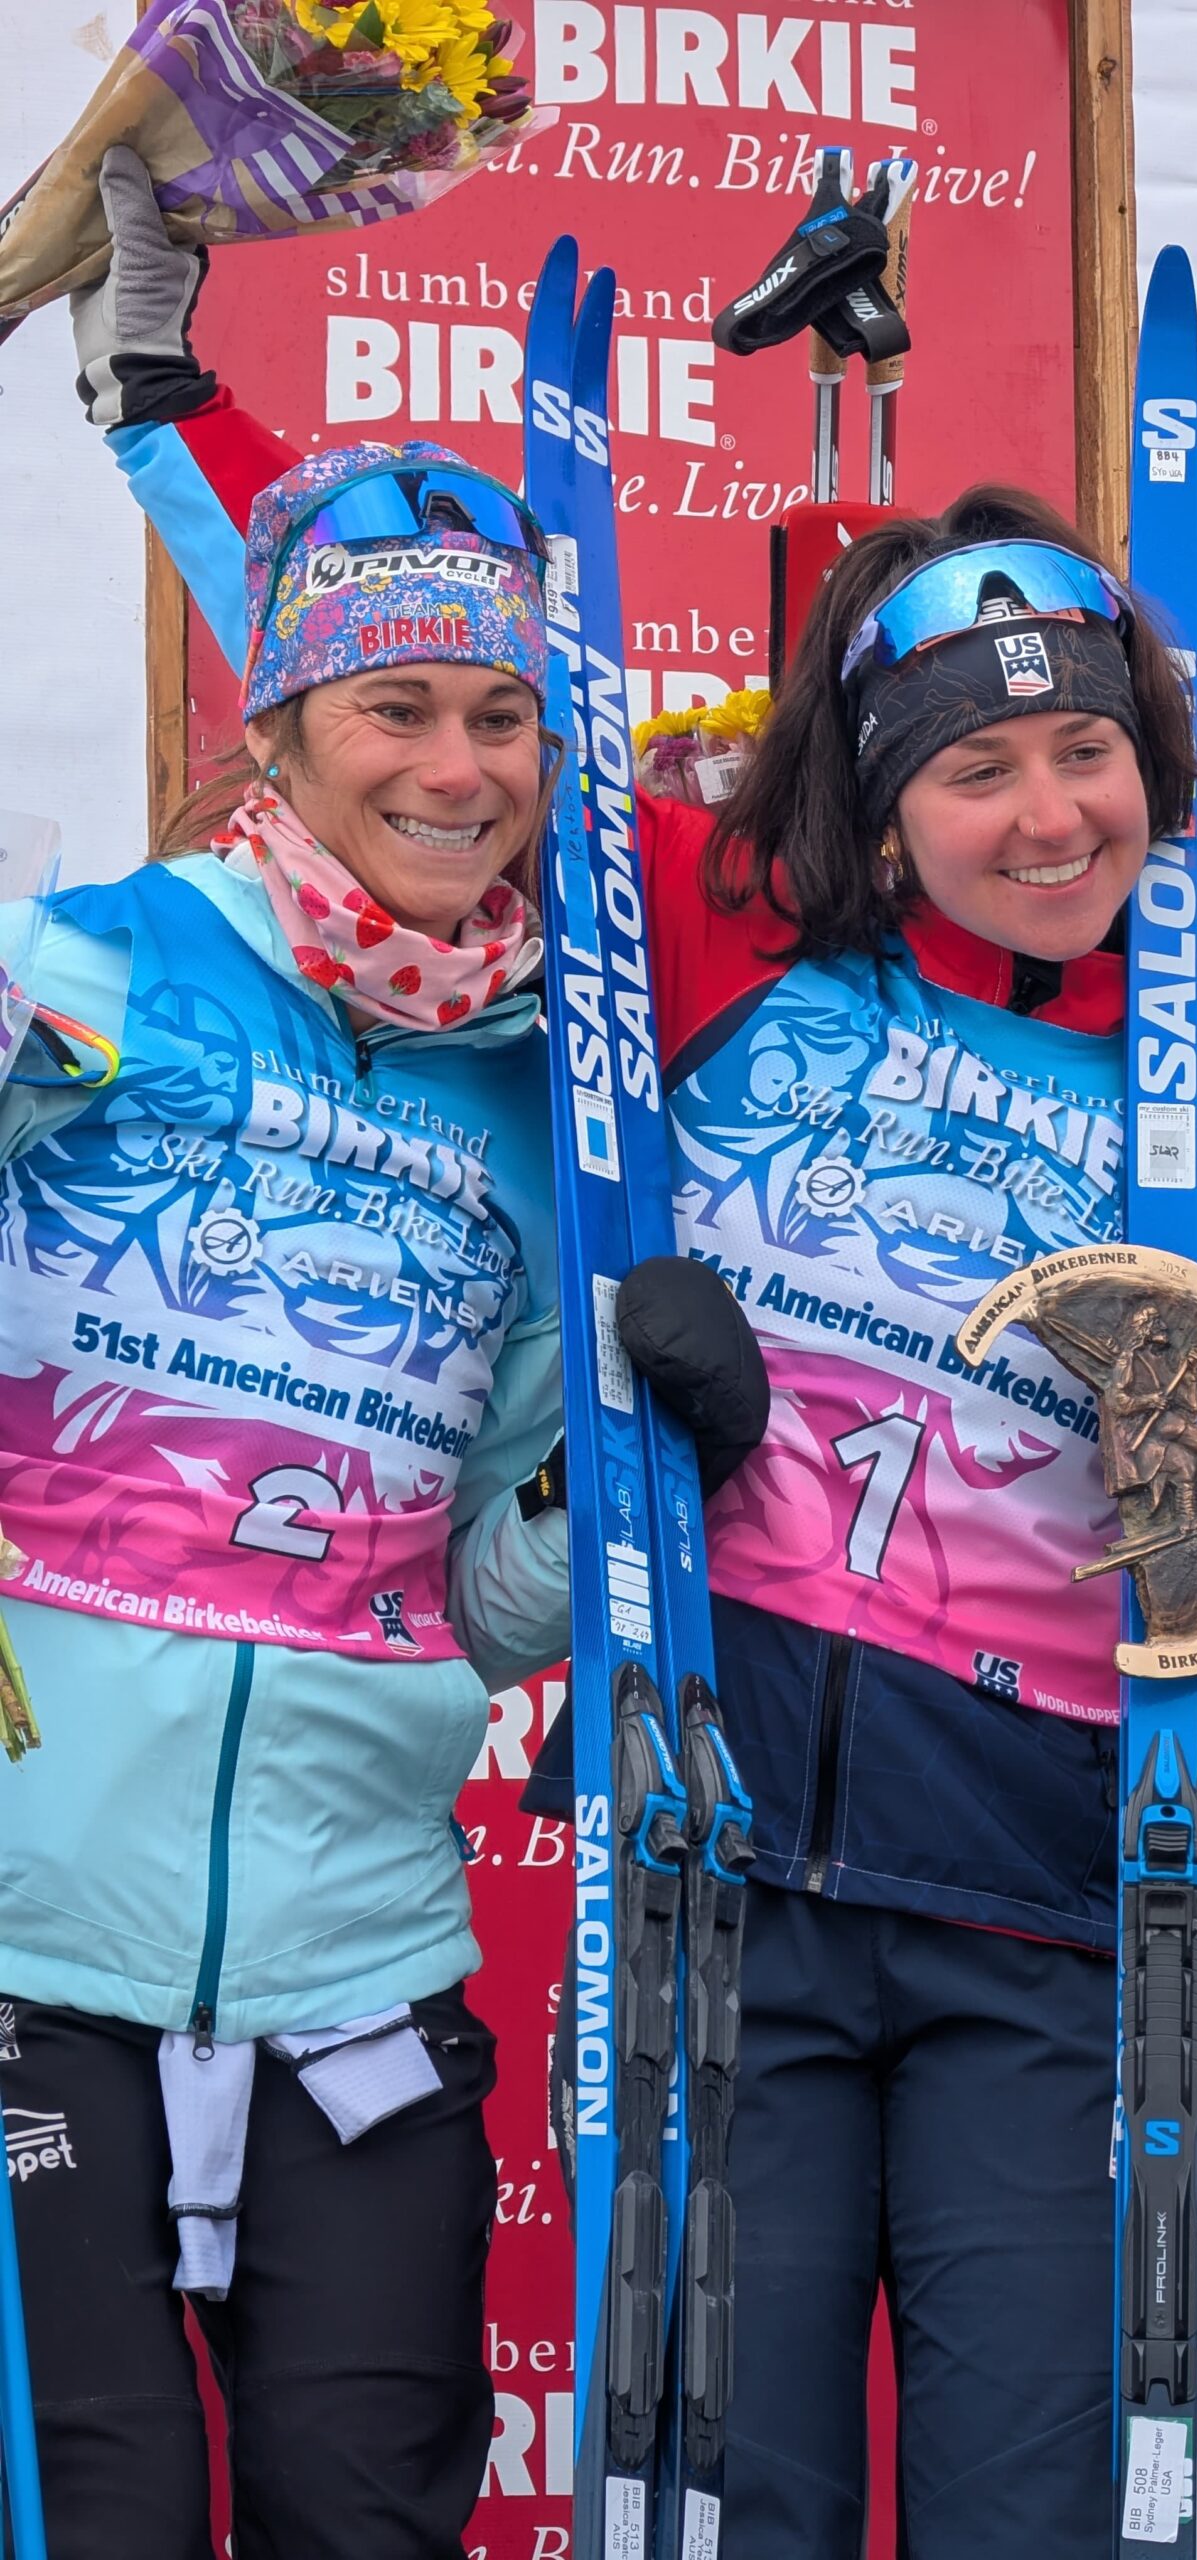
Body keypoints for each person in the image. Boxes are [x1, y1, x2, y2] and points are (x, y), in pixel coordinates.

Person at [88, 163, 1197, 2552]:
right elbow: (443, 719)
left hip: (1048, 1885)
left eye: (1087, 757)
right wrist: (183, 401)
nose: (1045, 811)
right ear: (885, 798)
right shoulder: (722, 943)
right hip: (724, 1861)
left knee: (1031, 2491)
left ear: (1153, 768)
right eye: (978, 767)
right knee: (741, 2485)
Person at [0, 154, 762, 2560]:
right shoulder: (91, 965)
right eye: (398, 709)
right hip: (29, 1933)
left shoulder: (549, 1101)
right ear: (284, 722)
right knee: (93, 2510)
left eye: (502, 717)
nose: (458, 765)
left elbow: (489, 1602)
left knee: (362, 2505)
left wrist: (633, 1471)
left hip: (360, 1965)